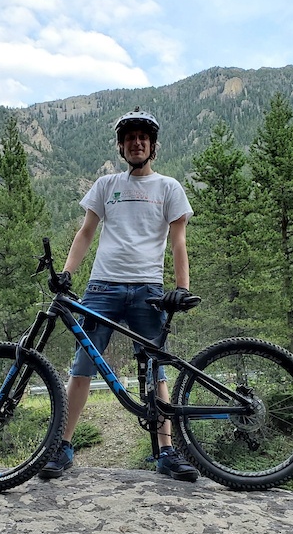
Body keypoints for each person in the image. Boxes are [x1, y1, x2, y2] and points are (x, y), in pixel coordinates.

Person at [39, 107, 199, 482]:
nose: (137, 143)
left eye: (143, 138)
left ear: (153, 146)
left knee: (155, 369)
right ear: (121, 147)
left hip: (148, 289)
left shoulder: (168, 187)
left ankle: (166, 452)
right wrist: (66, 273)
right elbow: (85, 233)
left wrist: (182, 289)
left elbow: (178, 241)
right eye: (130, 138)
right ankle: (62, 446)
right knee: (82, 367)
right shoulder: (106, 186)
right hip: (102, 286)